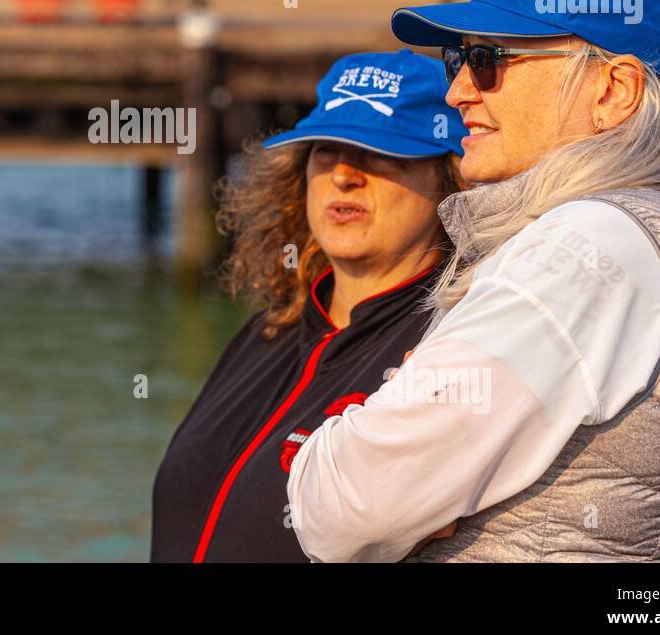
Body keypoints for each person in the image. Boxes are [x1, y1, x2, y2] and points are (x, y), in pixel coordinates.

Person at [286, 0, 660, 562]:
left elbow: (344, 508)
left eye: (486, 59)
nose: (457, 94)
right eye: (457, 61)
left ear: (614, 91)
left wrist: (332, 443)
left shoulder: (586, 246)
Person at [151, 50, 469, 562]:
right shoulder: (267, 331)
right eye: (325, 151)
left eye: (380, 151)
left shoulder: (447, 350)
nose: (343, 174)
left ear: (450, 178)